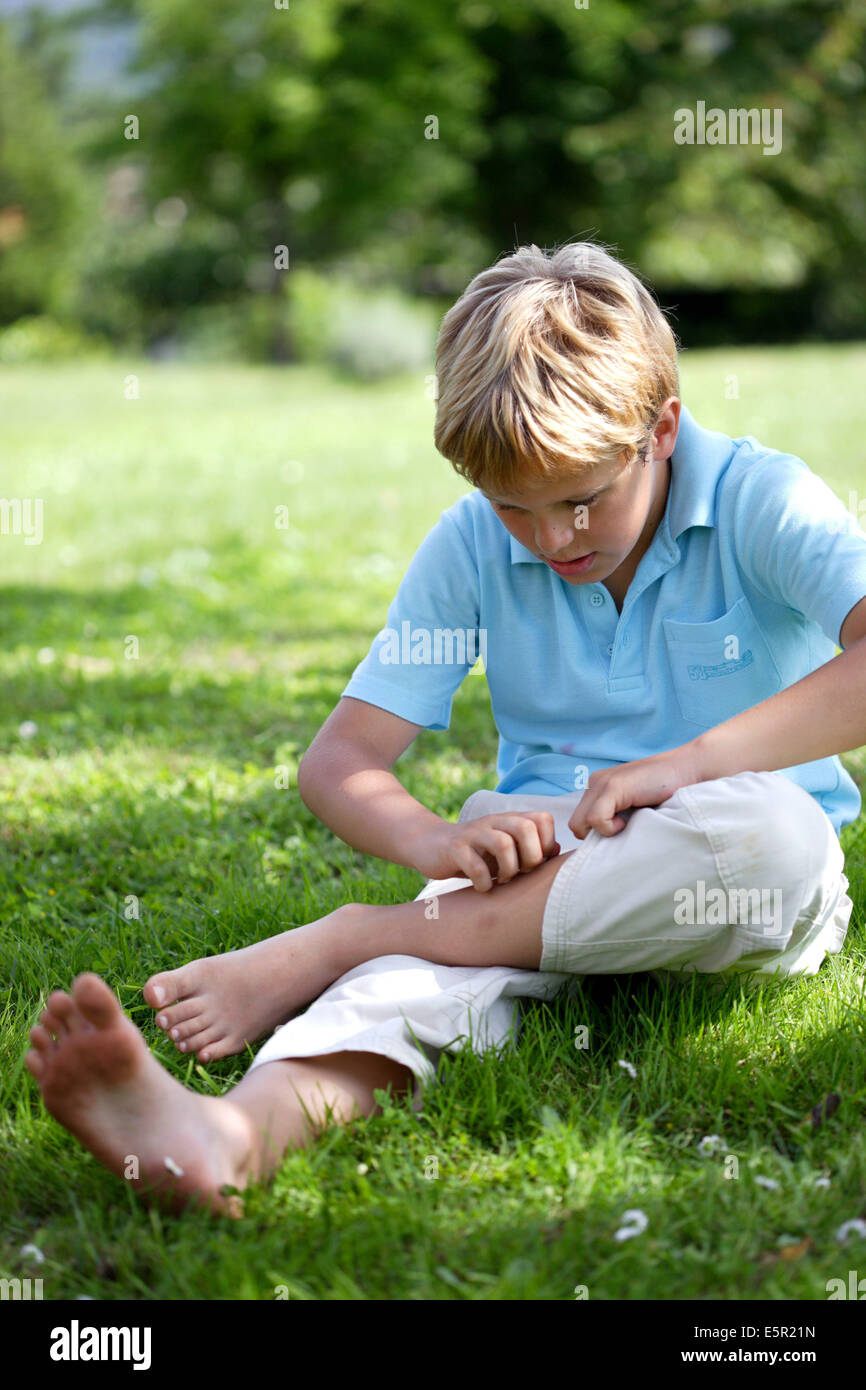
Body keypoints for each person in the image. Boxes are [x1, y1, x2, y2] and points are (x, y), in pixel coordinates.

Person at [25, 240, 866, 1215]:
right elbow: (341, 759)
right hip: (538, 856)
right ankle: (230, 1135)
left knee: (768, 836)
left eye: (580, 499)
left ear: (660, 429)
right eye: (514, 507)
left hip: (729, 855)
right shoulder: (468, 544)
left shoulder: (760, 497)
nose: (552, 540)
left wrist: (685, 765)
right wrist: (432, 838)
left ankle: (345, 935)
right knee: (415, 980)